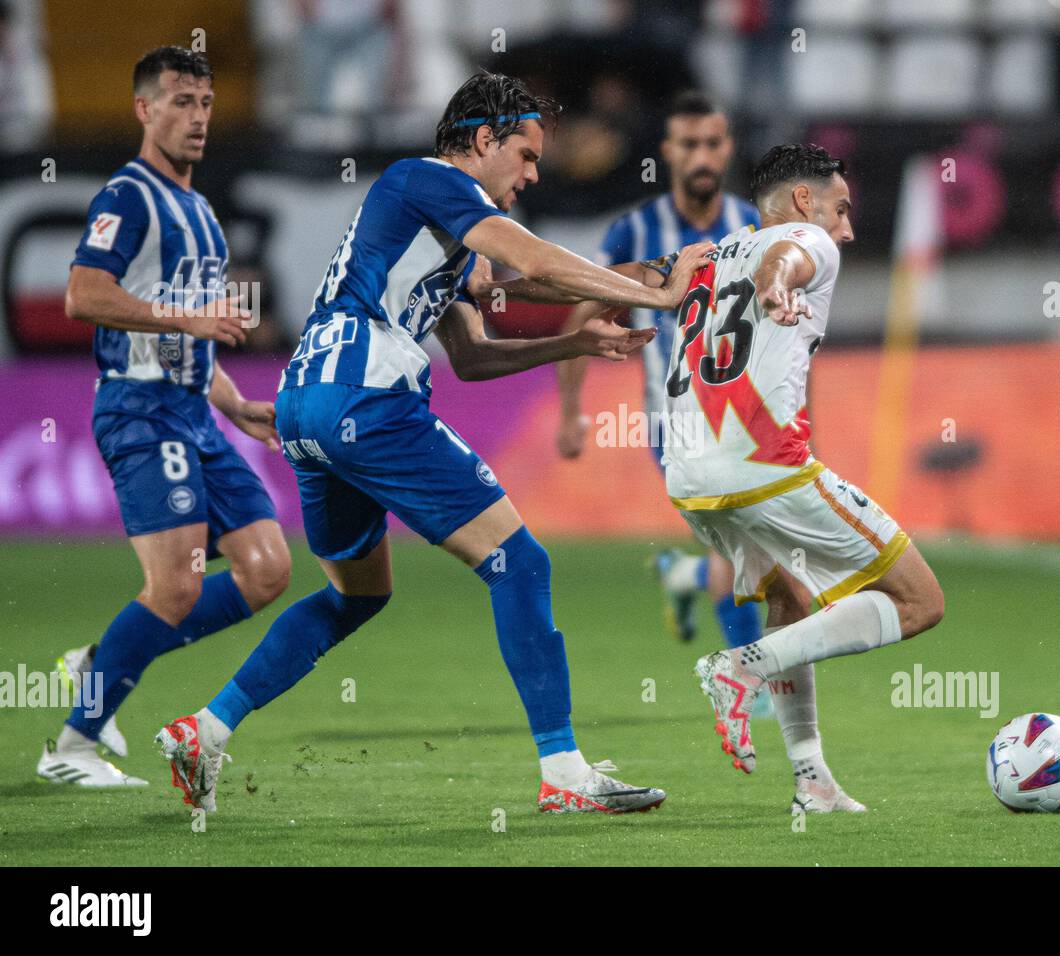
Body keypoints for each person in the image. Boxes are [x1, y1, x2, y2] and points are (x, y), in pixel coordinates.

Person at [155, 71, 713, 815]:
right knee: (520, 561)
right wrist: (659, 295)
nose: (533, 174)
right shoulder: (428, 179)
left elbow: (479, 349)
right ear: (483, 141)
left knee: (359, 594)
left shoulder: (430, 231)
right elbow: (539, 262)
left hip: (308, 406)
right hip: (368, 398)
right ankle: (565, 772)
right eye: (525, 154)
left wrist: (575, 339)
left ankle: (207, 728)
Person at [659, 144, 946, 812]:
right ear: (802, 201)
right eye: (841, 209)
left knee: (788, 599)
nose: (846, 228)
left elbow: (646, 282)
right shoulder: (805, 239)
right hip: (763, 468)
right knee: (920, 602)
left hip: (690, 478)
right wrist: (777, 284)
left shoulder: (709, 254)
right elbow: (789, 261)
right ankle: (739, 668)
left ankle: (812, 780)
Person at [38, 46, 290, 787]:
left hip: (196, 414)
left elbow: (194, 334)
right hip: (140, 411)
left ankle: (106, 658)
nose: (198, 118)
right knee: (177, 586)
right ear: (144, 109)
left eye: (206, 104)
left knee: (268, 568)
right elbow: (83, 295)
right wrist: (185, 318)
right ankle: (71, 748)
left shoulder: (203, 213)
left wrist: (236, 404)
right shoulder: (128, 195)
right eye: (181, 102)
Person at [554, 91, 767, 657]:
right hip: (675, 421)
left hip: (745, 416)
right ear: (668, 151)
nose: (701, 155)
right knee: (744, 545)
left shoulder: (752, 227)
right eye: (689, 144)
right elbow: (583, 310)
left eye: (712, 143)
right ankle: (752, 677)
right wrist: (572, 410)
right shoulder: (635, 231)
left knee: (752, 548)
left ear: (728, 149)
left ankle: (685, 577)